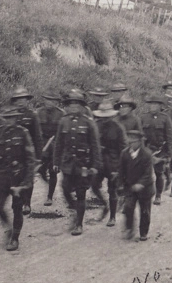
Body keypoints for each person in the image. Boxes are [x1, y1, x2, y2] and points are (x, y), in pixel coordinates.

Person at [0, 104, 37, 251]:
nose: (9, 121)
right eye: (6, 118)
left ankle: (15, 238)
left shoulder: (23, 133)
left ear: (16, 118)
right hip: (1, 175)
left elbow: (30, 159)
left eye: (12, 118)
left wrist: (27, 181)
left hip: (18, 176)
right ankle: (9, 228)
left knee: (17, 208)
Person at [53, 89, 102, 236]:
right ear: (67, 106)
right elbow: (59, 144)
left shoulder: (88, 123)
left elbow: (95, 146)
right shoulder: (63, 121)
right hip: (68, 164)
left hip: (83, 164)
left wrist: (95, 166)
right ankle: (74, 210)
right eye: (71, 105)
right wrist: (56, 161)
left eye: (77, 105)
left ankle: (79, 224)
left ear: (82, 107)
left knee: (81, 193)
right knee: (65, 188)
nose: (73, 107)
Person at [7, 86, 43, 216]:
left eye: (23, 99)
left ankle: (27, 202)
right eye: (18, 99)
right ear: (15, 101)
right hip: (14, 151)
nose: (20, 101)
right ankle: (16, 200)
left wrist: (38, 156)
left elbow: (38, 137)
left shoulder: (32, 115)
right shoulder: (10, 115)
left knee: (28, 176)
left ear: (27, 100)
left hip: (28, 152)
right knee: (13, 176)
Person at [91, 102, 126, 227]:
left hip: (113, 162)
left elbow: (123, 147)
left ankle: (112, 217)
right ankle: (104, 205)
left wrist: (122, 166)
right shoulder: (95, 126)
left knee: (112, 190)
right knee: (94, 185)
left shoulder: (118, 128)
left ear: (111, 116)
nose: (105, 119)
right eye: (102, 116)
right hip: (99, 161)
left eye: (107, 117)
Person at [120, 129, 156, 241]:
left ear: (140, 142)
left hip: (145, 188)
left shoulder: (147, 154)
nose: (131, 144)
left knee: (145, 211)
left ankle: (143, 232)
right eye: (129, 142)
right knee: (128, 208)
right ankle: (130, 229)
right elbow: (121, 171)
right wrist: (121, 185)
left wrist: (140, 184)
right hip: (130, 187)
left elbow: (147, 173)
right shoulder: (124, 154)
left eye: (134, 142)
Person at [140, 94, 172, 205]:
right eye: (151, 104)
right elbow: (139, 135)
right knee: (143, 174)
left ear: (160, 106)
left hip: (160, 151)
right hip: (145, 150)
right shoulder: (143, 117)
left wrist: (169, 154)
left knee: (159, 173)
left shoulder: (165, 118)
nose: (153, 107)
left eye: (156, 104)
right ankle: (144, 194)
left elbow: (170, 137)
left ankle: (158, 195)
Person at [36, 90, 65, 206]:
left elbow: (63, 131)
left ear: (56, 102)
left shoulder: (61, 114)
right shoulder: (38, 112)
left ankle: (49, 197)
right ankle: (46, 181)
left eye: (52, 101)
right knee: (40, 168)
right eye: (47, 100)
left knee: (53, 171)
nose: (49, 103)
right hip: (42, 143)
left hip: (55, 143)